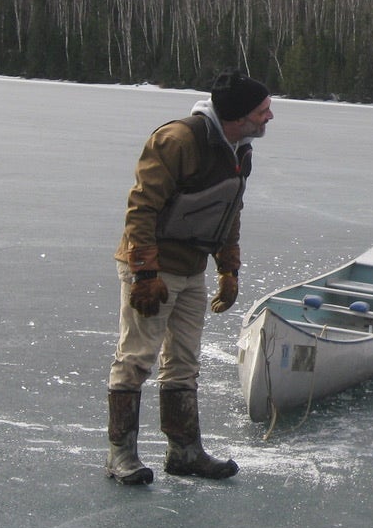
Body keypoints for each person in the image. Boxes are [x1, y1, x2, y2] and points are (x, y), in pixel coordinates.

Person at [105, 68, 272, 485]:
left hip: (191, 268)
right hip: (154, 268)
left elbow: (229, 211)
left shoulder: (240, 147)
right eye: (263, 111)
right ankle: (120, 455)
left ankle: (185, 451)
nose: (270, 117)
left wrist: (228, 267)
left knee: (183, 362)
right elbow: (141, 208)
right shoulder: (177, 140)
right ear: (238, 115)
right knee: (136, 358)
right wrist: (144, 273)